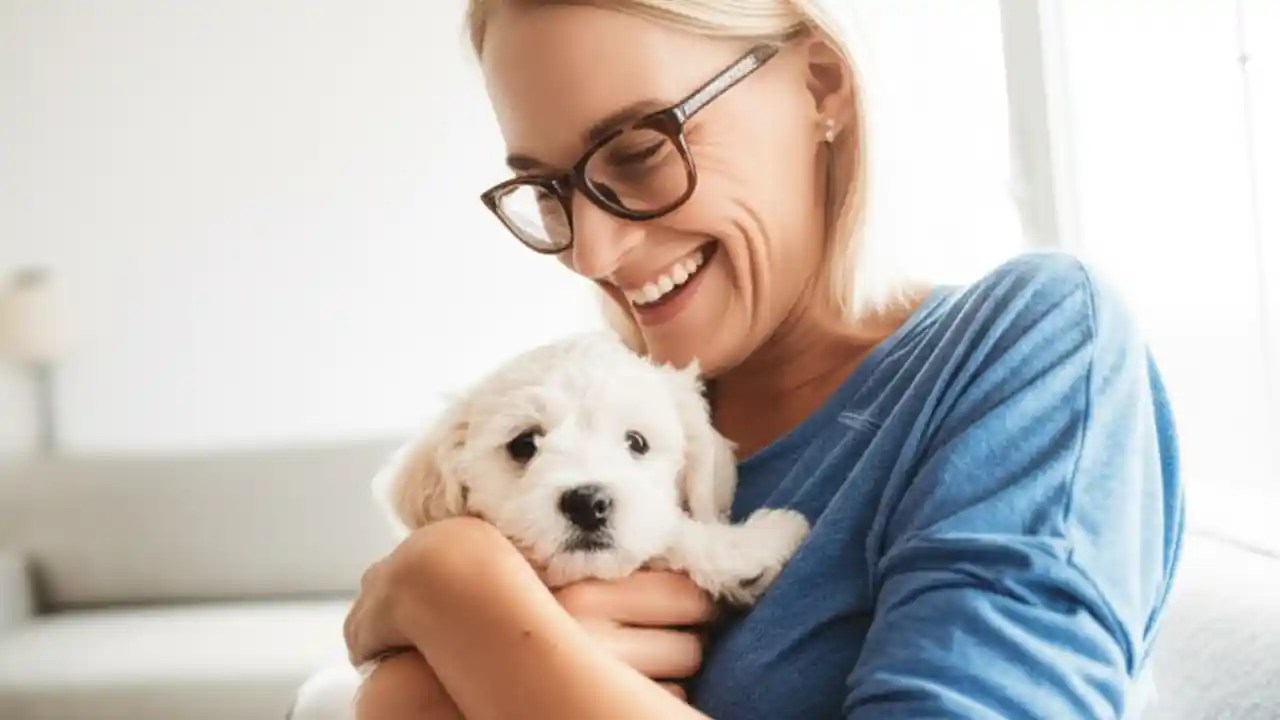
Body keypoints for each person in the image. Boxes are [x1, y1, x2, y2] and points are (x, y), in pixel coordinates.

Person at [341, 1, 1185, 718]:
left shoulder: (1025, 348)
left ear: (820, 85)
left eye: (638, 153)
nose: (591, 255)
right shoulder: (617, 411)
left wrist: (462, 601)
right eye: (549, 191)